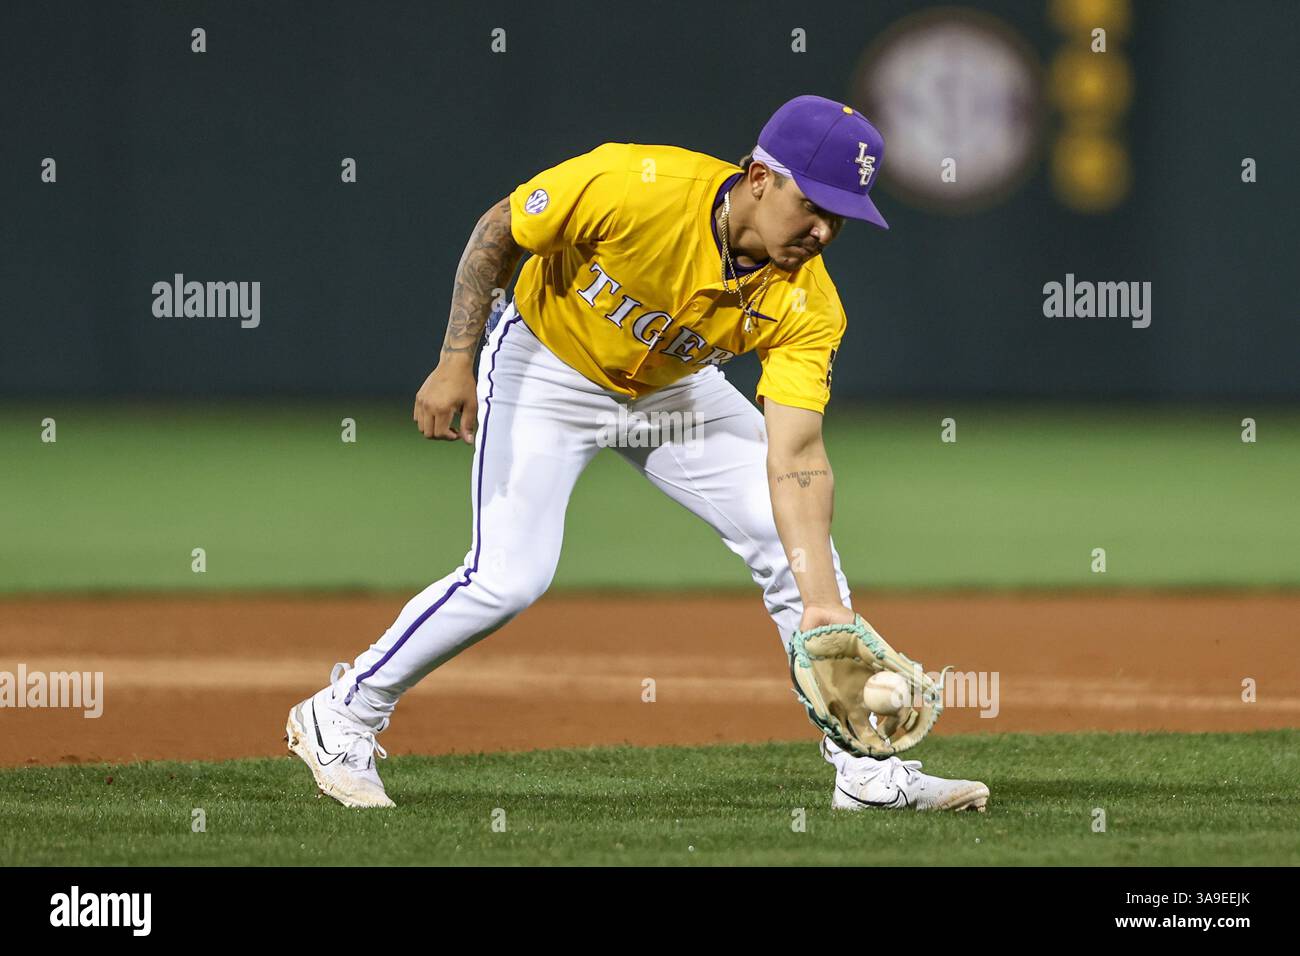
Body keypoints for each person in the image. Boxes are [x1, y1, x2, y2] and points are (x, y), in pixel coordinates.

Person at [286, 94, 989, 813]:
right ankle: (341, 713)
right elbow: (500, 228)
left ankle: (866, 774)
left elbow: (798, 457)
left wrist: (820, 606)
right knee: (509, 577)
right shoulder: (638, 185)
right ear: (757, 178)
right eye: (813, 204)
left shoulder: (809, 304)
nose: (823, 230)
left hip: (674, 394)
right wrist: (455, 359)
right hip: (548, 367)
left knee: (804, 561)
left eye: (841, 217)